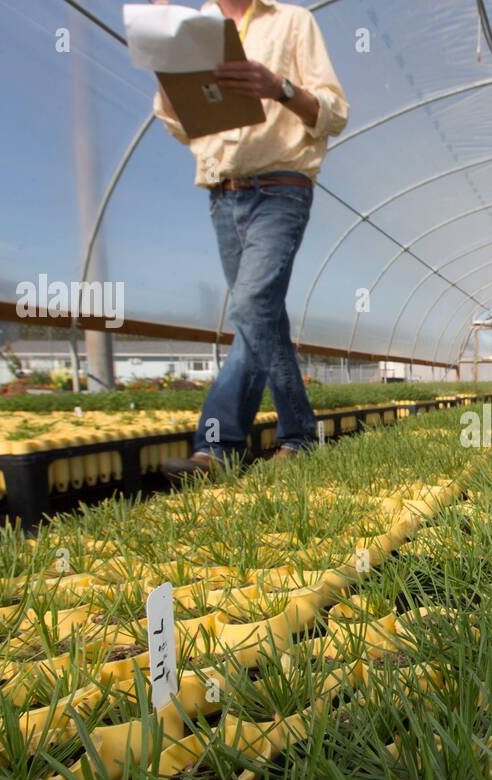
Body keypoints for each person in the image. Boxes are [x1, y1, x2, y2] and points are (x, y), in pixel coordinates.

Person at [151, 0, 348, 476]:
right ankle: (241, 448)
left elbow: (334, 114)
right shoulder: (194, 28)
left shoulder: (293, 21)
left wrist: (278, 88)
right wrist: (167, 64)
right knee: (257, 320)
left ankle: (268, 438)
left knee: (251, 306)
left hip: (281, 187)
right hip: (223, 192)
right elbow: (181, 126)